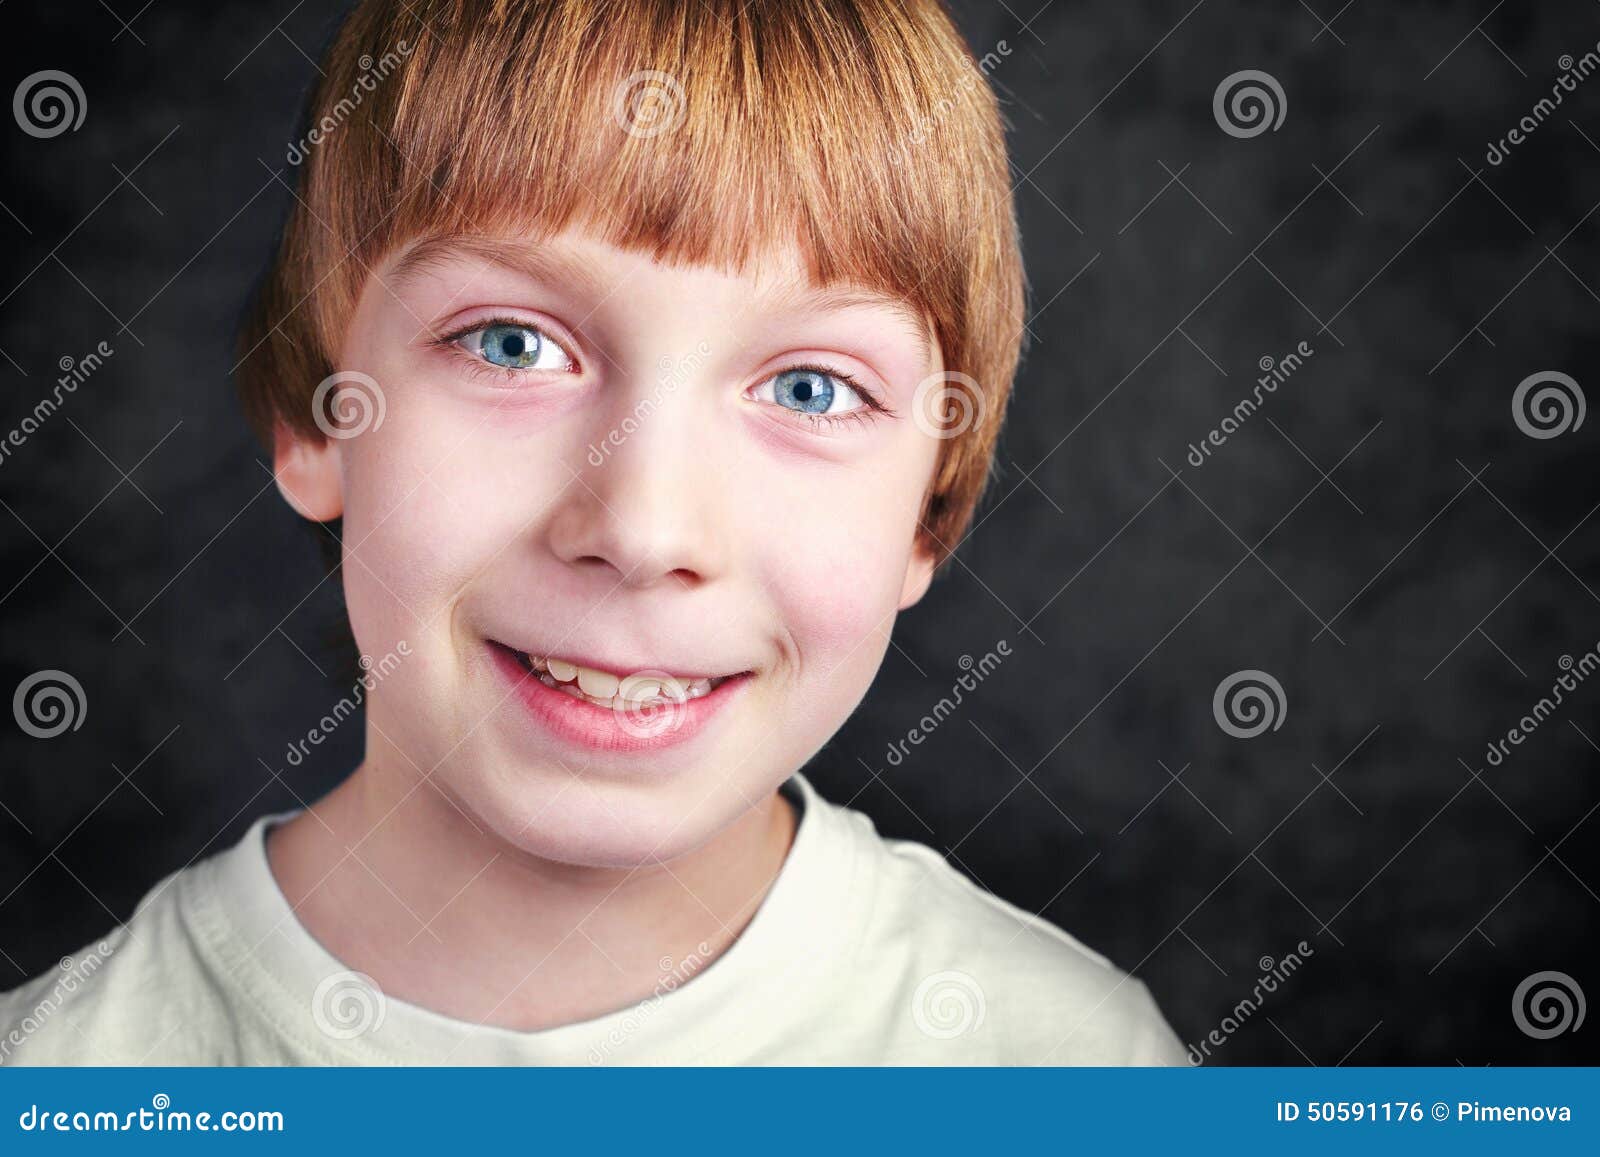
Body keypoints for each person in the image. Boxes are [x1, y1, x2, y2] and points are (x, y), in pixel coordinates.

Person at [1, 0, 1186, 1065]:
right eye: (510, 343)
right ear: (312, 415)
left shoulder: (1069, 1066)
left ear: (927, 515)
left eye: (811, 388)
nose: (642, 525)